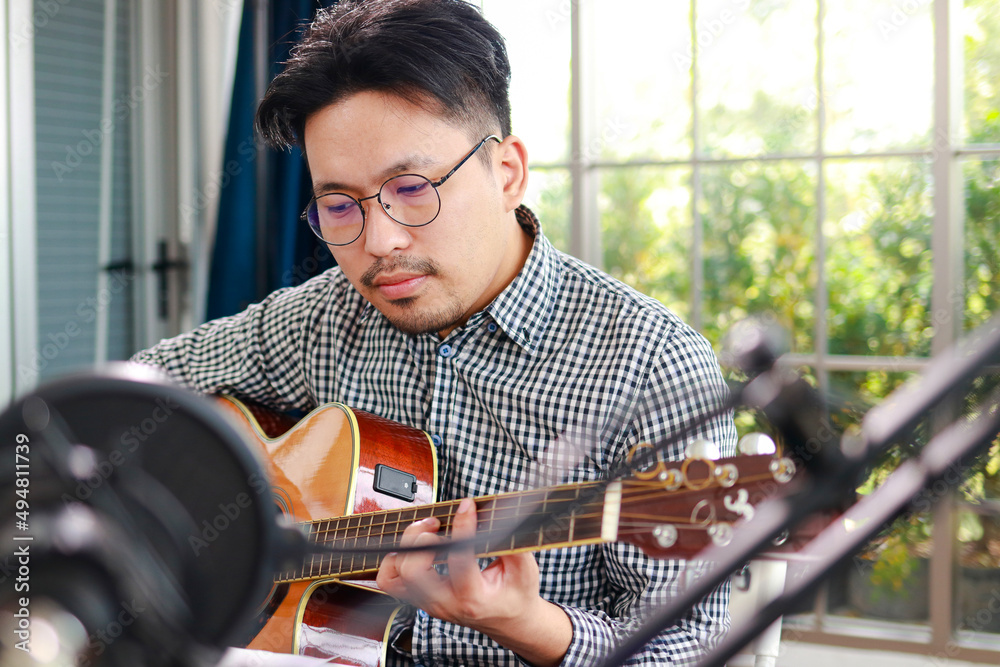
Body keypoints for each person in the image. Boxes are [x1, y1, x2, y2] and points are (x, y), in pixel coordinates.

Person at [131, 0, 737, 664]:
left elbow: (689, 648)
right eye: (338, 206)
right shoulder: (321, 317)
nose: (379, 242)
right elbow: (132, 395)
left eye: (413, 188)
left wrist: (528, 622)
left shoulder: (651, 363)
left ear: (506, 173)